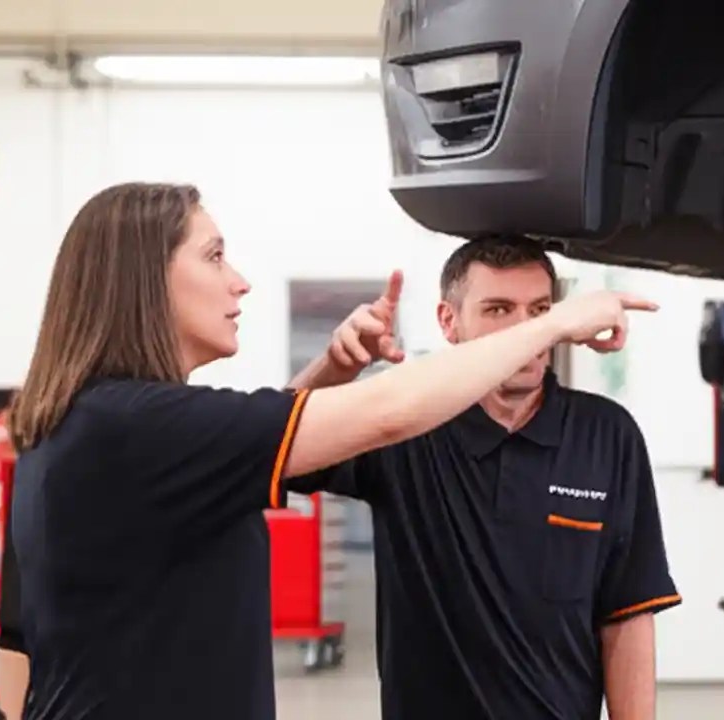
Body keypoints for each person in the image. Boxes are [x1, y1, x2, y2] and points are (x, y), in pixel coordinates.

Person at [0, 181, 657, 720]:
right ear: (142, 278)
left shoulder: (111, 427)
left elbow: (257, 451)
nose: (241, 281)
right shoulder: (134, 426)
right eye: (215, 256)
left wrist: (331, 371)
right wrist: (564, 320)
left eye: (538, 310)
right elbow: (392, 410)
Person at [290, 236, 681, 720]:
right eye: (498, 310)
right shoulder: (406, 424)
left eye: (539, 310)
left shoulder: (606, 434)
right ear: (449, 322)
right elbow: (273, 449)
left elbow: (627, 611)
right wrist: (337, 365)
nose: (526, 332)